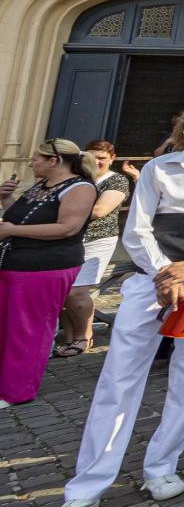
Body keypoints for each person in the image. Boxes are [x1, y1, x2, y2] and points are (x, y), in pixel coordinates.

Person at [37, 95, 184, 507]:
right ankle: (87, 485)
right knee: (119, 378)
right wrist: (164, 272)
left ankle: (162, 465)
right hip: (150, 282)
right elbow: (137, 226)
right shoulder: (160, 169)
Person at [0, 139, 97, 404]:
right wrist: (6, 199)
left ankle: (18, 390)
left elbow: (67, 228)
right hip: (16, 263)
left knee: (29, 328)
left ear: (54, 161)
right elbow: (24, 218)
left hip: (46, 266)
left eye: (36, 159)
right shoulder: (42, 185)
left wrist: (11, 231)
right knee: (7, 325)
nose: (31, 163)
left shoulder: (80, 187)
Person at [56, 141, 127, 358]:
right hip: (69, 239)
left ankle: (84, 335)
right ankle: (68, 337)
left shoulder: (116, 180)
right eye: (91, 157)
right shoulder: (77, 179)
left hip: (98, 240)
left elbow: (100, 210)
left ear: (112, 159)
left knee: (76, 292)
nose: (96, 162)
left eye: (102, 158)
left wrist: (64, 212)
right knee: (62, 291)